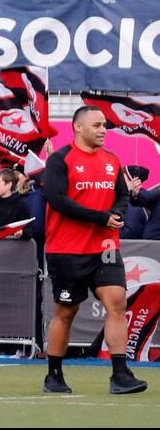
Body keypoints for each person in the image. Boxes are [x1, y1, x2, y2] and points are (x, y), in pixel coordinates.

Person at [41, 106, 147, 395]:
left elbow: (122, 196)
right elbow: (57, 199)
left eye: (104, 125)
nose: (103, 130)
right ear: (77, 127)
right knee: (66, 311)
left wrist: (115, 213)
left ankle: (120, 373)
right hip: (66, 249)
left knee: (117, 302)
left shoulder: (112, 160)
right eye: (97, 125)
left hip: (105, 246)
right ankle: (54, 375)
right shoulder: (60, 160)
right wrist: (100, 217)